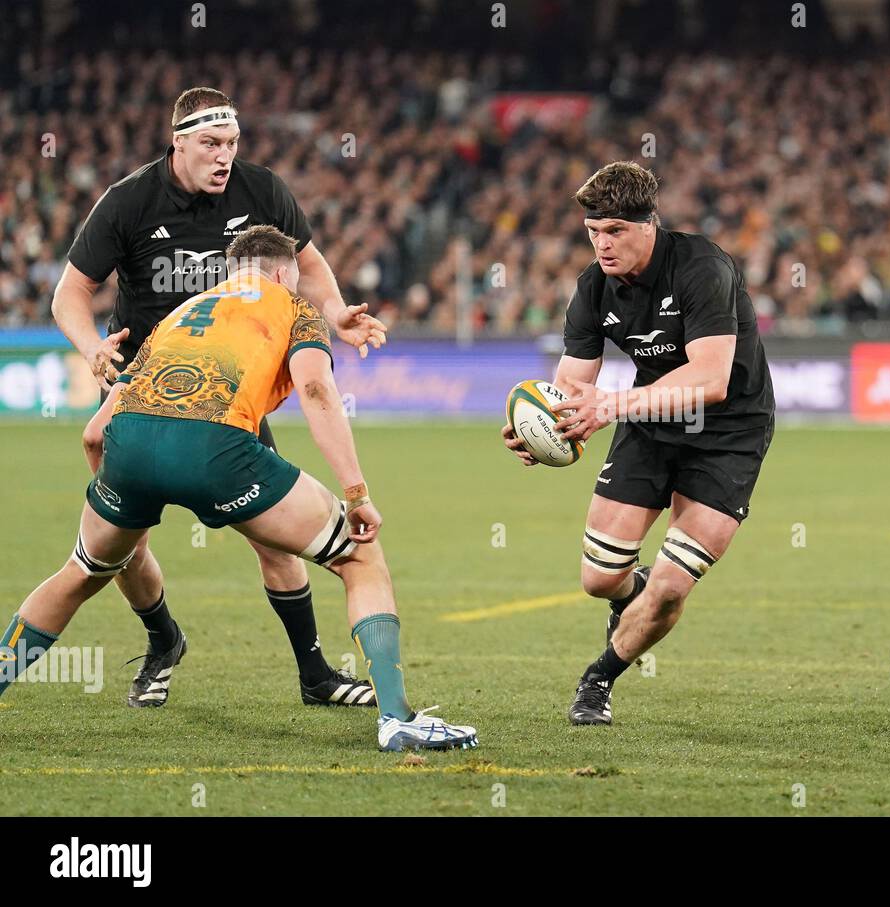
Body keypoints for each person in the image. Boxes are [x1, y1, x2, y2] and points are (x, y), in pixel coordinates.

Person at [3, 226, 475, 752]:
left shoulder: (179, 316)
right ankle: (397, 718)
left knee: (81, 572)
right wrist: (357, 492)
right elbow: (317, 388)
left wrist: (117, 501)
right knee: (359, 555)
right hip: (216, 449)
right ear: (281, 273)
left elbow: (94, 433)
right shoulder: (295, 309)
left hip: (129, 444)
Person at [51, 87, 386, 709]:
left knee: (273, 539)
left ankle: (314, 675)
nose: (224, 156)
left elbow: (307, 265)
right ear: (176, 141)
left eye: (231, 143)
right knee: (121, 543)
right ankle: (162, 639)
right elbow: (70, 292)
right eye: (210, 143)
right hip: (143, 386)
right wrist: (90, 347)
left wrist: (337, 312)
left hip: (228, 397)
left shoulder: (263, 192)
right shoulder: (127, 202)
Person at [501, 161, 776, 725]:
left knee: (673, 586)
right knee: (599, 578)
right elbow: (574, 384)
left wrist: (612, 405)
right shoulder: (592, 287)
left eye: (616, 230)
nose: (602, 244)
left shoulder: (702, 267)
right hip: (650, 424)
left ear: (650, 223)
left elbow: (710, 381)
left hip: (729, 434)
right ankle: (632, 595)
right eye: (593, 231)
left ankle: (598, 678)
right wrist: (548, 427)